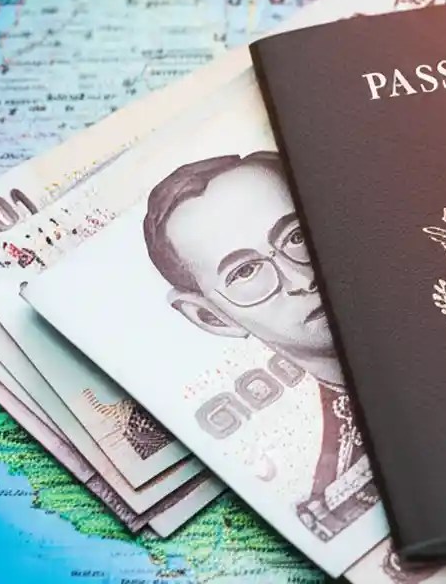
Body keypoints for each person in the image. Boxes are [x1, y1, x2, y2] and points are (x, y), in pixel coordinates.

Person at [142, 152, 377, 541]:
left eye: (296, 236)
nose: (301, 277)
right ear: (211, 317)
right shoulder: (331, 487)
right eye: (245, 271)